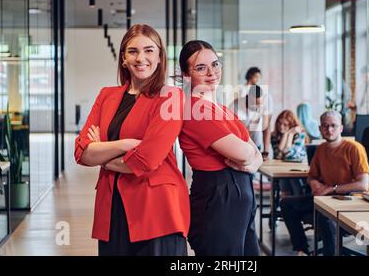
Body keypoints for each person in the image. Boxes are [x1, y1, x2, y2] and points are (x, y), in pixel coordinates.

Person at [74, 24, 190, 256]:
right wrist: (126, 145)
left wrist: (103, 156)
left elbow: (147, 159)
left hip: (156, 208)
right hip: (112, 207)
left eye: (149, 50)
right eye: (133, 51)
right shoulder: (107, 95)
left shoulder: (171, 97)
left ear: (159, 57)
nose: (141, 58)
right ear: (124, 59)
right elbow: (82, 153)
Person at [178, 40, 263, 256]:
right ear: (186, 75)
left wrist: (252, 160)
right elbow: (245, 154)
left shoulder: (224, 110)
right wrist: (250, 159)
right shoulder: (194, 110)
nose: (211, 72)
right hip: (217, 203)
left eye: (215, 64)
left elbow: (257, 156)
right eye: (200, 68)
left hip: (240, 200)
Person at [279, 110, 369, 256]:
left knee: (325, 214)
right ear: (320, 128)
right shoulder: (321, 149)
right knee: (286, 204)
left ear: (341, 128)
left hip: (351, 199)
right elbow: (312, 176)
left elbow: (363, 185)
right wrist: (314, 184)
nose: (329, 130)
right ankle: (302, 249)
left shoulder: (354, 148)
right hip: (326, 197)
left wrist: (330, 189)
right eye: (325, 126)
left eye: (333, 126)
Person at [271, 110, 309, 197]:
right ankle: (287, 206)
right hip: (282, 170)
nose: (281, 127)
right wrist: (287, 135)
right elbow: (278, 156)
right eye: (279, 123)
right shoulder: (274, 136)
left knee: (290, 178)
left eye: (285, 124)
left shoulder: (300, 134)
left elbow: (289, 155)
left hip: (298, 169)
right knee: (284, 178)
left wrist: (290, 134)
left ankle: (295, 204)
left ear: (292, 125)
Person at [240, 67, 273, 160]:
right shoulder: (242, 90)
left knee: (265, 125)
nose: (258, 79)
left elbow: (266, 124)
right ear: (251, 76)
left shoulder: (261, 93)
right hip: (245, 128)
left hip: (255, 135)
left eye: (259, 77)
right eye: (256, 76)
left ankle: (265, 151)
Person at [229, 84, 266, 150]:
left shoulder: (261, 106)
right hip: (239, 144)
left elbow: (266, 127)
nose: (256, 106)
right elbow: (231, 127)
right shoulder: (234, 106)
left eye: (258, 103)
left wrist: (266, 150)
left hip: (256, 145)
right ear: (248, 96)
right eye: (254, 103)